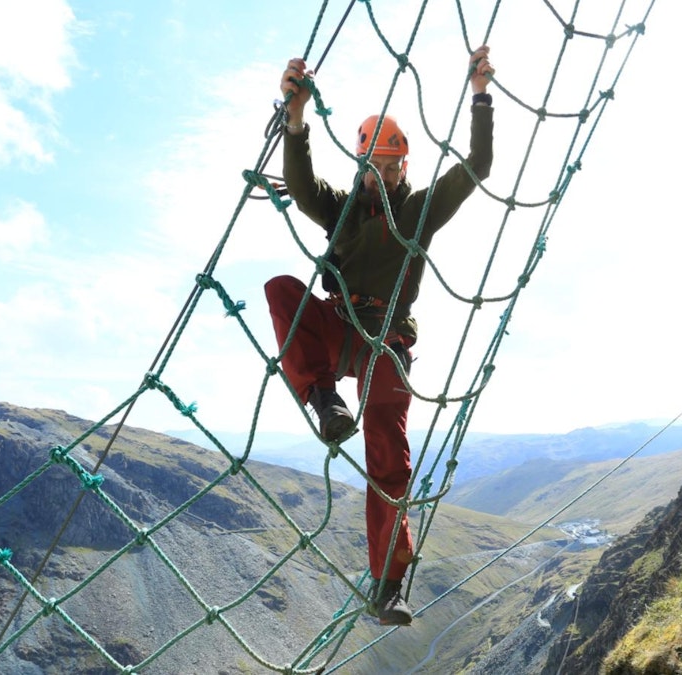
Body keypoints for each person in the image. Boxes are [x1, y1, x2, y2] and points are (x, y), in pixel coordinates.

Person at [264, 46, 495, 626]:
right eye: (377, 166)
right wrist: (294, 116)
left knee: (389, 453)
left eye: (394, 168)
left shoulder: (417, 211)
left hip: (387, 343)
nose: (385, 176)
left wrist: (480, 96)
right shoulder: (341, 209)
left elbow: (477, 166)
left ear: (404, 170)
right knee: (281, 291)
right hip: (341, 327)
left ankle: (388, 583)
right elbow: (300, 180)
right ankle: (324, 400)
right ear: (362, 165)